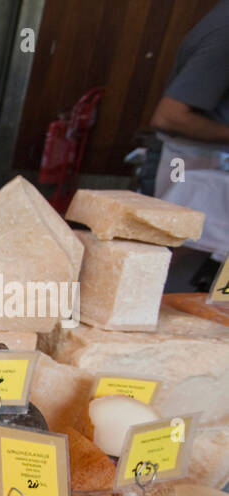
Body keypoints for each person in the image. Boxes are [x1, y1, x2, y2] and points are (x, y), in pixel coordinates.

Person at [148, 0, 229, 288]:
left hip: (210, 166)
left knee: (195, 292)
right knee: (157, 274)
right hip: (186, 165)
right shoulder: (225, 30)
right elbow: (168, 116)